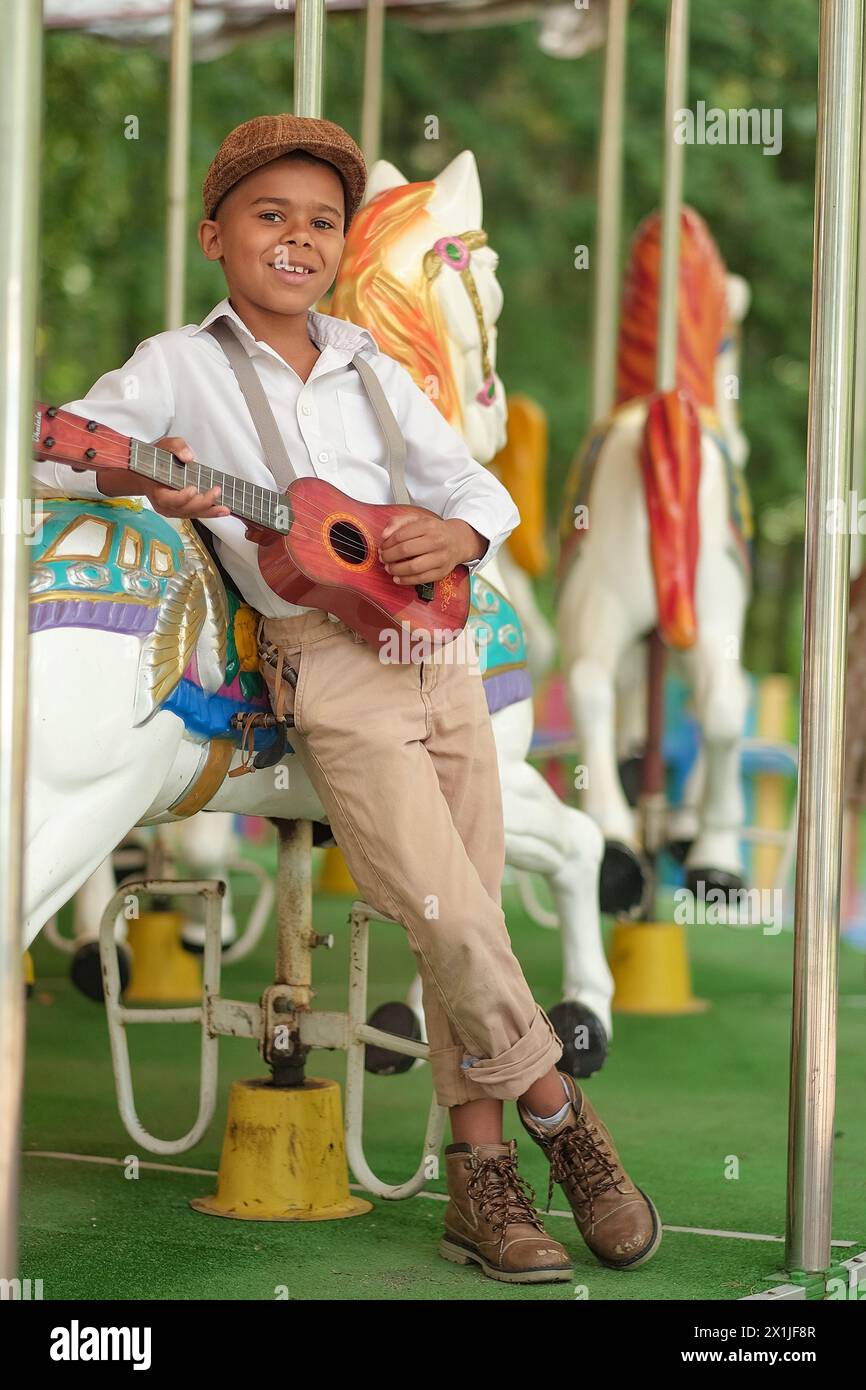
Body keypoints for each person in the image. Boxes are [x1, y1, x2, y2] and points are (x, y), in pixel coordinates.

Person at [33, 113, 661, 1284]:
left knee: (455, 915)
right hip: (320, 657)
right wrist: (126, 468)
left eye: (321, 221)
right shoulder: (179, 364)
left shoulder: (372, 363)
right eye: (270, 215)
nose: (298, 238)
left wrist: (453, 527)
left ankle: (479, 1195)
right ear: (217, 234)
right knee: (453, 910)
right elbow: (59, 448)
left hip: (440, 644)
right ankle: (561, 1119)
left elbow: (474, 481)